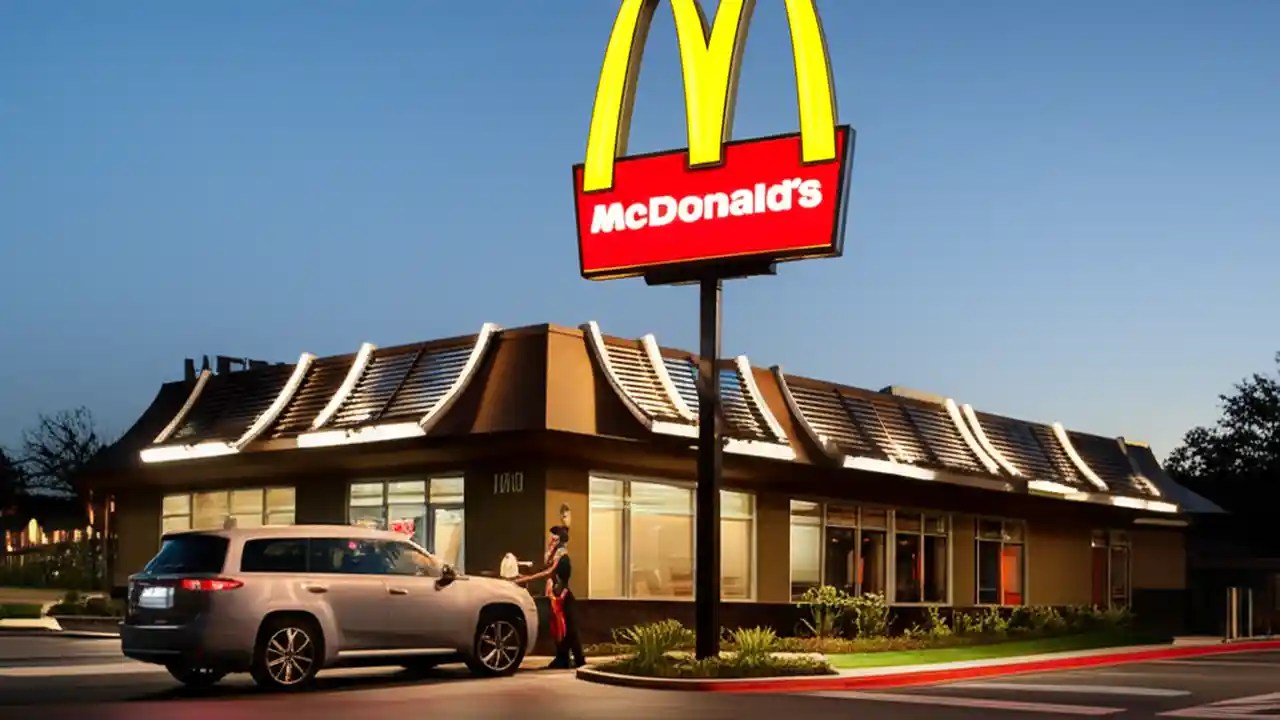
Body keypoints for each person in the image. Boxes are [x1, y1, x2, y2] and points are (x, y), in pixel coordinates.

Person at [514, 525, 585, 669]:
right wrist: (525, 576)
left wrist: (526, 579)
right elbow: (545, 570)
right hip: (556, 595)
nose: (549, 539)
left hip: (563, 596)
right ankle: (563, 657)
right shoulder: (554, 555)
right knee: (558, 628)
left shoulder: (562, 555)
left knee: (568, 629)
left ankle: (577, 659)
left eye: (552, 536)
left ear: (558, 538)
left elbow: (549, 572)